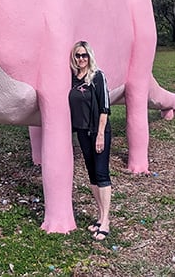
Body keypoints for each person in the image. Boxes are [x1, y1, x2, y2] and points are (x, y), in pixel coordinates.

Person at [68, 40, 112, 241]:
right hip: (82, 133)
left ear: (90, 56)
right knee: (92, 175)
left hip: (98, 131)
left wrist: (101, 134)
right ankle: (100, 215)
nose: (81, 59)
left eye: (84, 55)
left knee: (102, 174)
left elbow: (104, 107)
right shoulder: (73, 79)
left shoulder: (97, 76)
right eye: (78, 55)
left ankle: (106, 221)